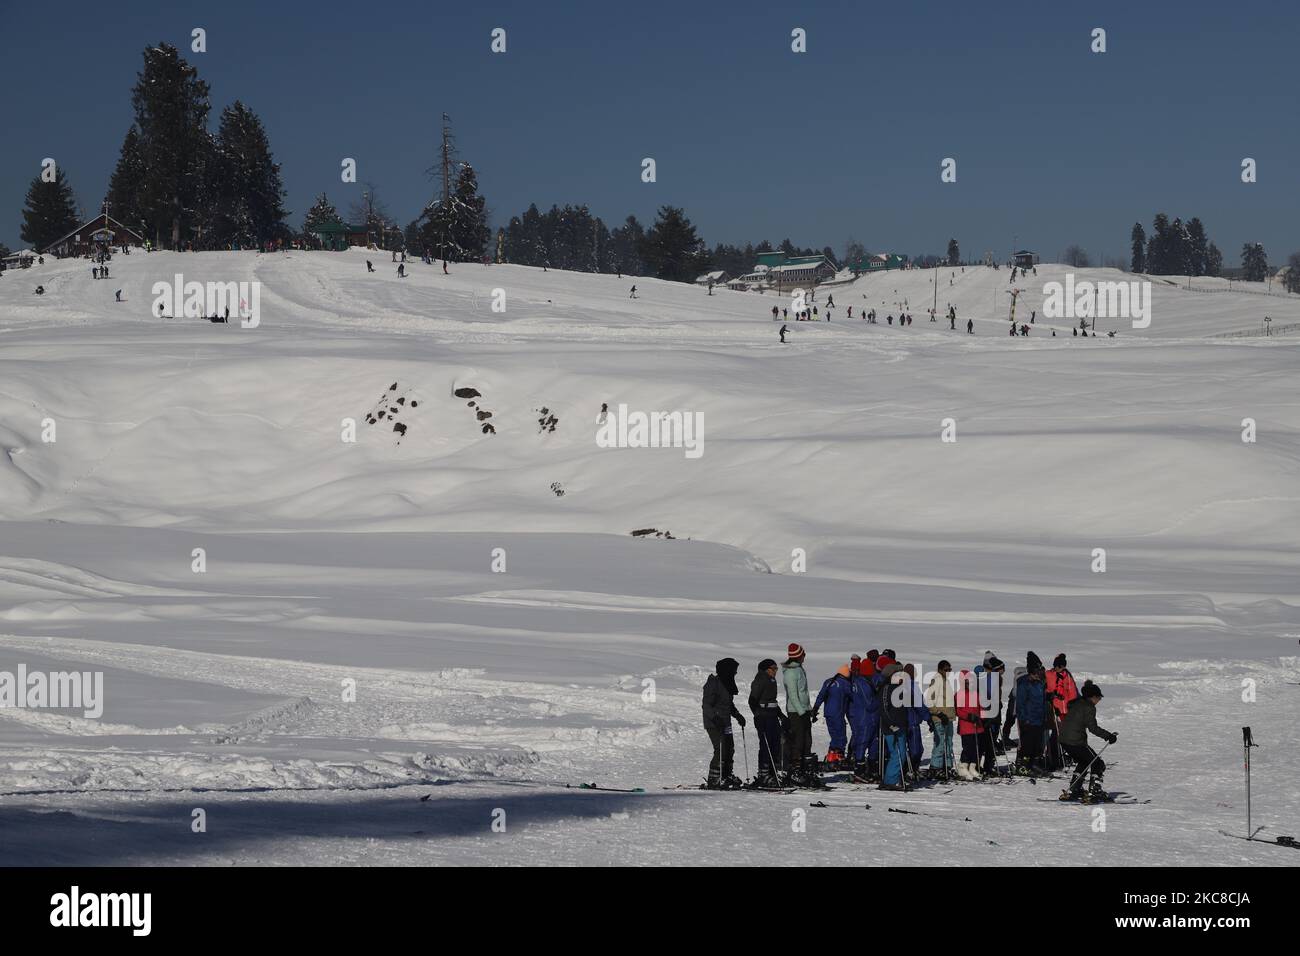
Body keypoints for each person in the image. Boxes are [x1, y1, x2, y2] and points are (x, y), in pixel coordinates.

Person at [1059, 680, 1117, 800]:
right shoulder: (1089, 707)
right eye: (1098, 698)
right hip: (1075, 741)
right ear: (1092, 697)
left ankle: (1075, 788)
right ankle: (1094, 791)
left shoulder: (1077, 703)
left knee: (1084, 761)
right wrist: (1108, 736)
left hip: (1064, 739)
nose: (1099, 701)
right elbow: (1093, 728)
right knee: (1097, 763)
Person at [701, 658, 745, 789]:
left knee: (729, 748)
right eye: (734, 671)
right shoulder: (713, 683)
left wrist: (737, 715)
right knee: (720, 748)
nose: (735, 674)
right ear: (727, 670)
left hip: (726, 722)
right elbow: (706, 705)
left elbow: (728, 704)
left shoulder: (727, 683)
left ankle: (726, 775)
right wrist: (715, 718)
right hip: (714, 723)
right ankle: (714, 778)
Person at [748, 659, 786, 787]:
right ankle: (763, 775)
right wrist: (757, 715)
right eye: (773, 668)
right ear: (766, 669)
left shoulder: (772, 681)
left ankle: (772, 772)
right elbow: (752, 700)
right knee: (766, 745)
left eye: (776, 668)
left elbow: (773, 701)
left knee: (775, 745)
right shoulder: (760, 680)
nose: (775, 671)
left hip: (773, 716)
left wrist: (781, 715)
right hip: (764, 717)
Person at [782, 644, 815, 785]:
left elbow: (804, 693)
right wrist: (802, 712)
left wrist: (809, 709)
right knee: (798, 741)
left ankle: (805, 769)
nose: (805, 656)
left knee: (807, 741)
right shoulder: (790, 673)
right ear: (798, 655)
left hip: (804, 711)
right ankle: (795, 771)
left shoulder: (800, 669)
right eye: (803, 654)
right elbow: (793, 695)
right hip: (796, 712)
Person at [876, 656, 909, 789]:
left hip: (900, 726)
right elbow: (883, 709)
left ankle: (896, 778)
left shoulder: (900, 689)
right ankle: (890, 780)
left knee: (901, 753)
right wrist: (891, 723)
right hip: (890, 727)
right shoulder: (885, 689)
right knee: (897, 753)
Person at [811, 664, 852, 771]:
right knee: (841, 736)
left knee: (834, 734)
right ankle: (836, 757)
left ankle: (831, 755)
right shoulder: (845, 684)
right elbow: (853, 696)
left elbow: (821, 696)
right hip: (837, 713)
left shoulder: (828, 681)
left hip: (828, 713)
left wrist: (815, 709)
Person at [1045, 653, 1080, 769]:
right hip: (1053, 709)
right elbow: (1044, 689)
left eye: (1062, 667)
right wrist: (1050, 695)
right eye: (1059, 667)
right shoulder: (1049, 675)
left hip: (1065, 710)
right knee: (1056, 734)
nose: (1061, 669)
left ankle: (1065, 755)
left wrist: (1072, 705)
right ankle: (1053, 757)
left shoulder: (1067, 676)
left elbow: (1072, 692)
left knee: (1065, 734)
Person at [1014, 654, 1048, 774]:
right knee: (1027, 744)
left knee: (1037, 744)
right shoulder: (1024, 684)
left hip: (1039, 719)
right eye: (1036, 672)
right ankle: (1023, 764)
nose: (1038, 674)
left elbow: (1041, 701)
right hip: (1028, 720)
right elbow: (1020, 703)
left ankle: (1033, 763)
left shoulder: (1040, 683)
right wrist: (1024, 719)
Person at [925, 660, 956, 778]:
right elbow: (929, 701)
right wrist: (938, 713)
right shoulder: (936, 680)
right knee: (940, 743)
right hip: (939, 718)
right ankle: (935, 766)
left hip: (948, 718)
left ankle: (947, 766)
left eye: (950, 670)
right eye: (947, 670)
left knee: (948, 742)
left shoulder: (945, 681)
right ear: (940, 669)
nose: (948, 672)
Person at [847, 656, 876, 781]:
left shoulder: (860, 682)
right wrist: (879, 701)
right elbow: (869, 704)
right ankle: (859, 770)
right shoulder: (863, 684)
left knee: (867, 743)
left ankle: (865, 768)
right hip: (865, 718)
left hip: (864, 717)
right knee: (863, 743)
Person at [954, 667, 983, 780]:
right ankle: (963, 767)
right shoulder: (959, 694)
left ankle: (972, 767)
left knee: (977, 747)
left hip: (977, 725)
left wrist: (982, 717)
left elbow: (979, 707)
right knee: (968, 747)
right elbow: (958, 710)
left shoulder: (975, 693)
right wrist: (968, 716)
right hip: (966, 726)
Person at [903, 663, 930, 777]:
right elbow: (919, 704)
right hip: (911, 721)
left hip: (906, 721)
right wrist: (928, 718)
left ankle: (910, 768)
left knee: (912, 748)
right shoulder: (911, 686)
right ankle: (911, 769)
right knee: (916, 749)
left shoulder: (902, 685)